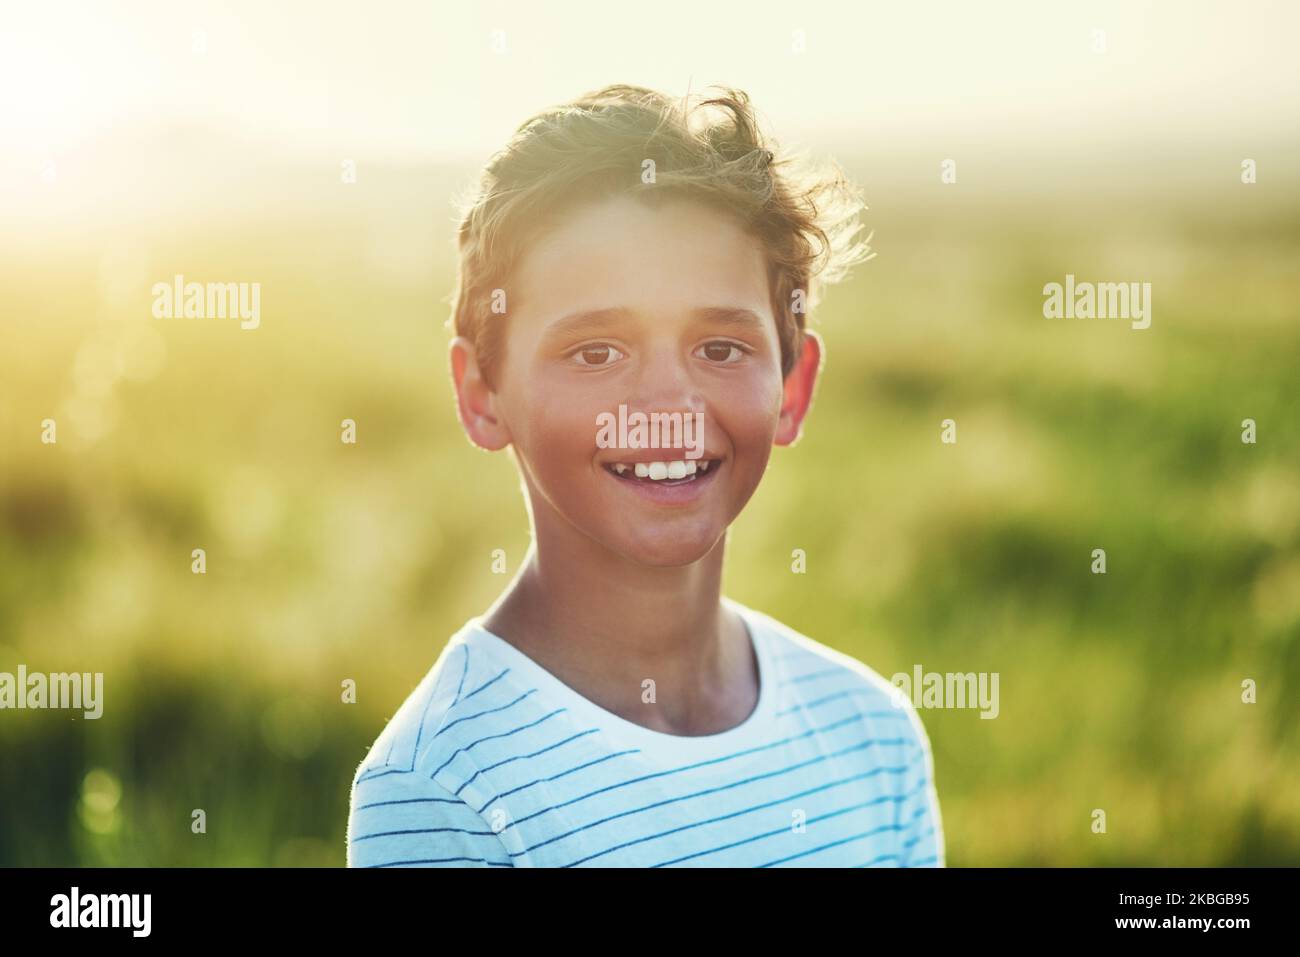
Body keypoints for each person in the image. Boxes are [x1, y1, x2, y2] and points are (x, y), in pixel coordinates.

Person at [347, 84, 943, 868]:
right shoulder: (442, 787)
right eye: (596, 352)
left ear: (793, 390)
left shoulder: (874, 736)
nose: (668, 408)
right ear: (481, 394)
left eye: (720, 348)